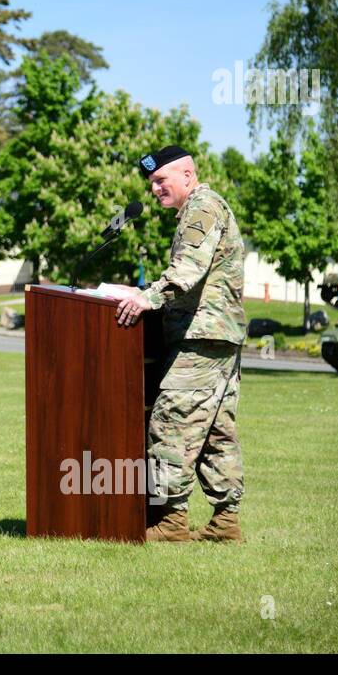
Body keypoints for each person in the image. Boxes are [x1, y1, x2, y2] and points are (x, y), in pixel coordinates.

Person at [114, 146, 247, 543]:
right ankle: (226, 522)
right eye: (151, 183)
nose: (154, 190)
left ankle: (170, 522)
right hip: (217, 338)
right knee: (215, 432)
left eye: (160, 180)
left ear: (187, 174)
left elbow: (186, 271)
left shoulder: (202, 208)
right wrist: (143, 290)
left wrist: (145, 298)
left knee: (169, 425)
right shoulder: (205, 207)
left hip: (199, 340)